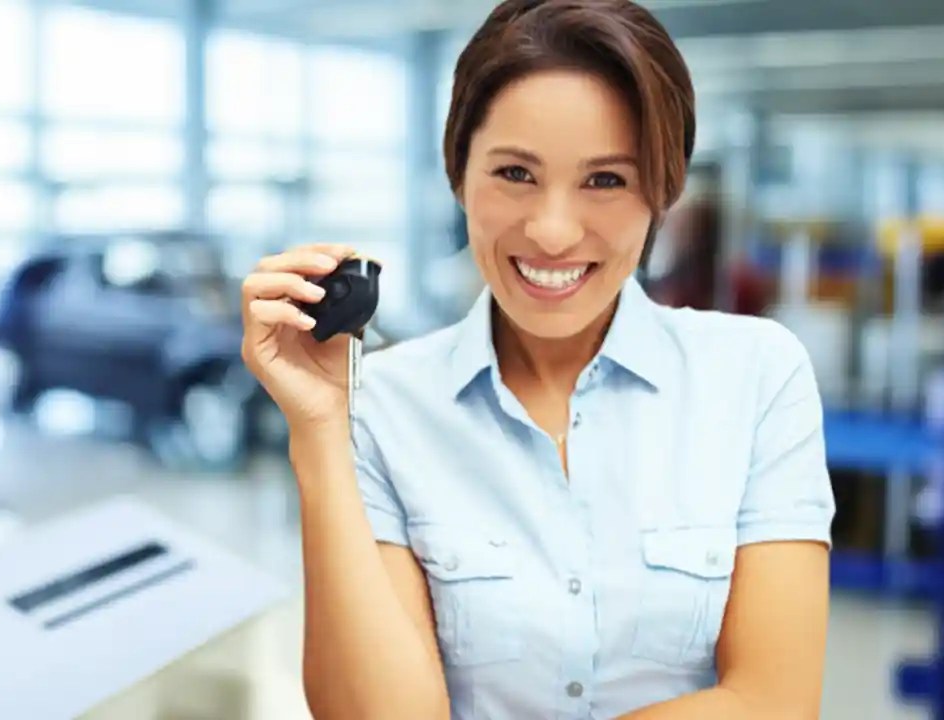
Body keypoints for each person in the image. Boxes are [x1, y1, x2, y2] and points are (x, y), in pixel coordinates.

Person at [239, 1, 834, 718]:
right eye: (515, 173)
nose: (553, 231)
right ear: (458, 175)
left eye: (605, 180)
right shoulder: (381, 406)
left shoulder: (756, 376)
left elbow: (774, 701)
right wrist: (317, 432)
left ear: (663, 191)